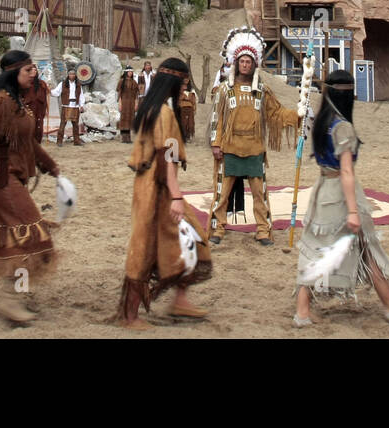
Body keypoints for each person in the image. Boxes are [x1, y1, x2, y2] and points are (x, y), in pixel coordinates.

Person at [293, 70, 389, 327]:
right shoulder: (342, 126)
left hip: (322, 188)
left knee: (360, 249)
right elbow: (347, 170)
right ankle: (303, 310)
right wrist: (352, 211)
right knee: (340, 249)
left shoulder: (322, 121)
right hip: (339, 193)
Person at [115, 57, 211, 329]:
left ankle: (180, 300)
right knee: (145, 248)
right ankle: (129, 315)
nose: (184, 89)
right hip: (155, 189)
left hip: (152, 186)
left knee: (191, 240)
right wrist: (177, 196)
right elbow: (166, 157)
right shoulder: (164, 113)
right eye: (182, 83)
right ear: (173, 82)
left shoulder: (153, 108)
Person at [0, 50, 61, 324]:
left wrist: (50, 166)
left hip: (12, 178)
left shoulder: (16, 102)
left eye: (34, 69)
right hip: (1, 180)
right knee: (31, 234)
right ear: (13, 73)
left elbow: (27, 142)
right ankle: (10, 299)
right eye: (29, 70)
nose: (34, 74)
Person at [207, 27, 300, 246]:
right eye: (242, 62)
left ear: (254, 65)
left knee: (260, 194)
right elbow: (216, 119)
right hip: (229, 148)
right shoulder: (224, 90)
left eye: (249, 62)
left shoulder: (262, 90)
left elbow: (276, 113)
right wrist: (216, 143)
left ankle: (263, 229)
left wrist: (298, 115)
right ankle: (218, 228)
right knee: (222, 193)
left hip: (254, 149)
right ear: (237, 64)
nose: (245, 65)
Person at [53, 67, 84, 146]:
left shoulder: (78, 85)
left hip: (75, 106)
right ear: (68, 75)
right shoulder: (63, 84)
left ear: (75, 75)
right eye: (70, 74)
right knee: (63, 124)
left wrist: (81, 105)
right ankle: (59, 141)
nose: (72, 75)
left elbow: (81, 96)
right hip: (66, 105)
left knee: (75, 125)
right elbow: (56, 92)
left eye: (73, 74)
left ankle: (76, 141)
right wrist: (49, 90)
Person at [22, 62, 49, 145]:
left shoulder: (42, 84)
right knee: (29, 128)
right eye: (31, 70)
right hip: (29, 109)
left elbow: (45, 98)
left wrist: (45, 110)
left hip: (39, 110)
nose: (33, 71)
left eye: (35, 70)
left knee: (38, 128)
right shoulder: (24, 84)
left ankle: (37, 147)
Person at [117, 68, 138, 144]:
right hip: (124, 102)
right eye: (129, 71)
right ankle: (123, 137)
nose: (130, 73)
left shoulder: (134, 82)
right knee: (123, 118)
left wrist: (136, 104)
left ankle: (128, 137)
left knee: (130, 119)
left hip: (131, 103)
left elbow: (136, 95)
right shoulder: (121, 82)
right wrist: (120, 103)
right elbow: (119, 95)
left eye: (131, 72)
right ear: (126, 72)